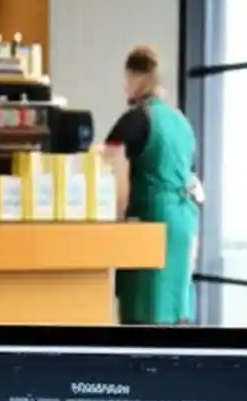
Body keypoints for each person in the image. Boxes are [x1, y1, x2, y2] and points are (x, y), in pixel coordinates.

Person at [105, 46, 200, 326]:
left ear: (137, 77)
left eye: (127, 78)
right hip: (184, 221)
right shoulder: (181, 121)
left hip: (152, 221)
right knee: (176, 311)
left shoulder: (136, 119)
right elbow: (191, 176)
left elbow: (108, 168)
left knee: (146, 311)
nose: (124, 86)